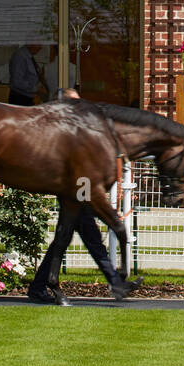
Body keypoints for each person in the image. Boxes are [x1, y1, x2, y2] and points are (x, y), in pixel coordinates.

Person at [39, 87, 143, 301]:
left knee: (70, 239)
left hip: (81, 194)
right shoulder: (63, 131)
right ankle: (115, 283)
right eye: (76, 103)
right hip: (77, 195)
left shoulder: (75, 130)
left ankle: (115, 283)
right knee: (82, 240)